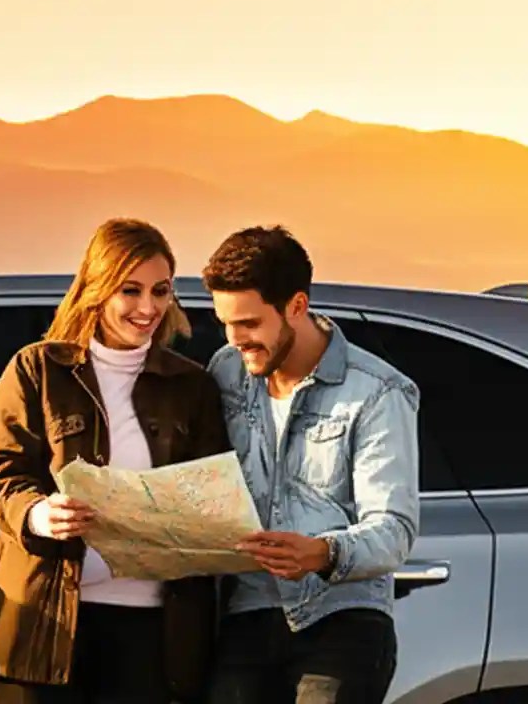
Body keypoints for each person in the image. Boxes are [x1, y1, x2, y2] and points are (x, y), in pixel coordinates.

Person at [0, 218, 229, 704]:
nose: (148, 307)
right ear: (97, 289)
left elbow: (213, 496)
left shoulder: (194, 388)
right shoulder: (38, 369)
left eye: (161, 290)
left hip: (152, 634)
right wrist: (39, 513)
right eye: (131, 290)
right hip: (47, 625)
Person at [200, 225, 421, 704]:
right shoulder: (226, 371)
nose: (235, 339)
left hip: (342, 619)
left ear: (297, 306)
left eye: (250, 323)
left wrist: (321, 553)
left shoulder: (378, 392)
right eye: (225, 323)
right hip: (246, 615)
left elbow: (394, 529)